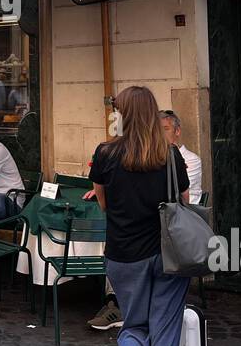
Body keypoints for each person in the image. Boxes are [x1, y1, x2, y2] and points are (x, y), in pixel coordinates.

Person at [91, 85, 190, 346]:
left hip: (124, 256)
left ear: (124, 115)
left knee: (132, 327)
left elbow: (102, 201)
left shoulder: (106, 154)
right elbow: (183, 203)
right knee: (164, 335)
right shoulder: (171, 156)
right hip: (167, 256)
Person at [88, 108, 206, 333]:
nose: (161, 135)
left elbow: (182, 199)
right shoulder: (146, 155)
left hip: (170, 237)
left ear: (177, 131)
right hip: (147, 242)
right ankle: (116, 305)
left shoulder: (182, 158)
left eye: (166, 130)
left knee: (139, 325)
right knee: (153, 325)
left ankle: (129, 318)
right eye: (157, 130)